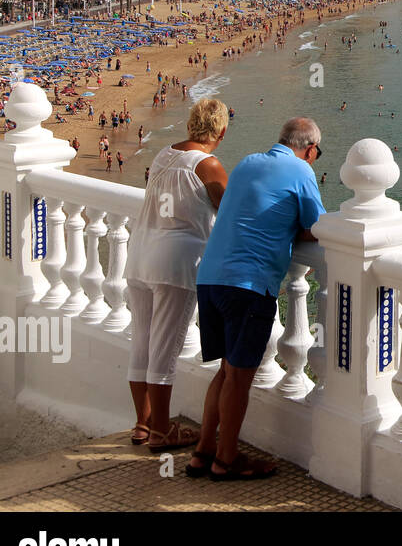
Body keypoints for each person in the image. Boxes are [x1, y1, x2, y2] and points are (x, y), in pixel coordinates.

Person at [189, 118, 326, 480]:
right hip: (247, 285)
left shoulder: (248, 162)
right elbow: (317, 227)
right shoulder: (300, 170)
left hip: (211, 277)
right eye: (317, 153)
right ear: (310, 150)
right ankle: (226, 460)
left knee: (224, 371)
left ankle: (203, 452)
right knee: (239, 377)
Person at [124, 99, 230, 453]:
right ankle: (161, 431)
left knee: (142, 340)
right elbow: (230, 210)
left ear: (190, 125)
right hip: (175, 262)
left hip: (139, 253)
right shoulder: (209, 164)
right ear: (222, 130)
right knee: (164, 348)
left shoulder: (163, 154)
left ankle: (143, 423)